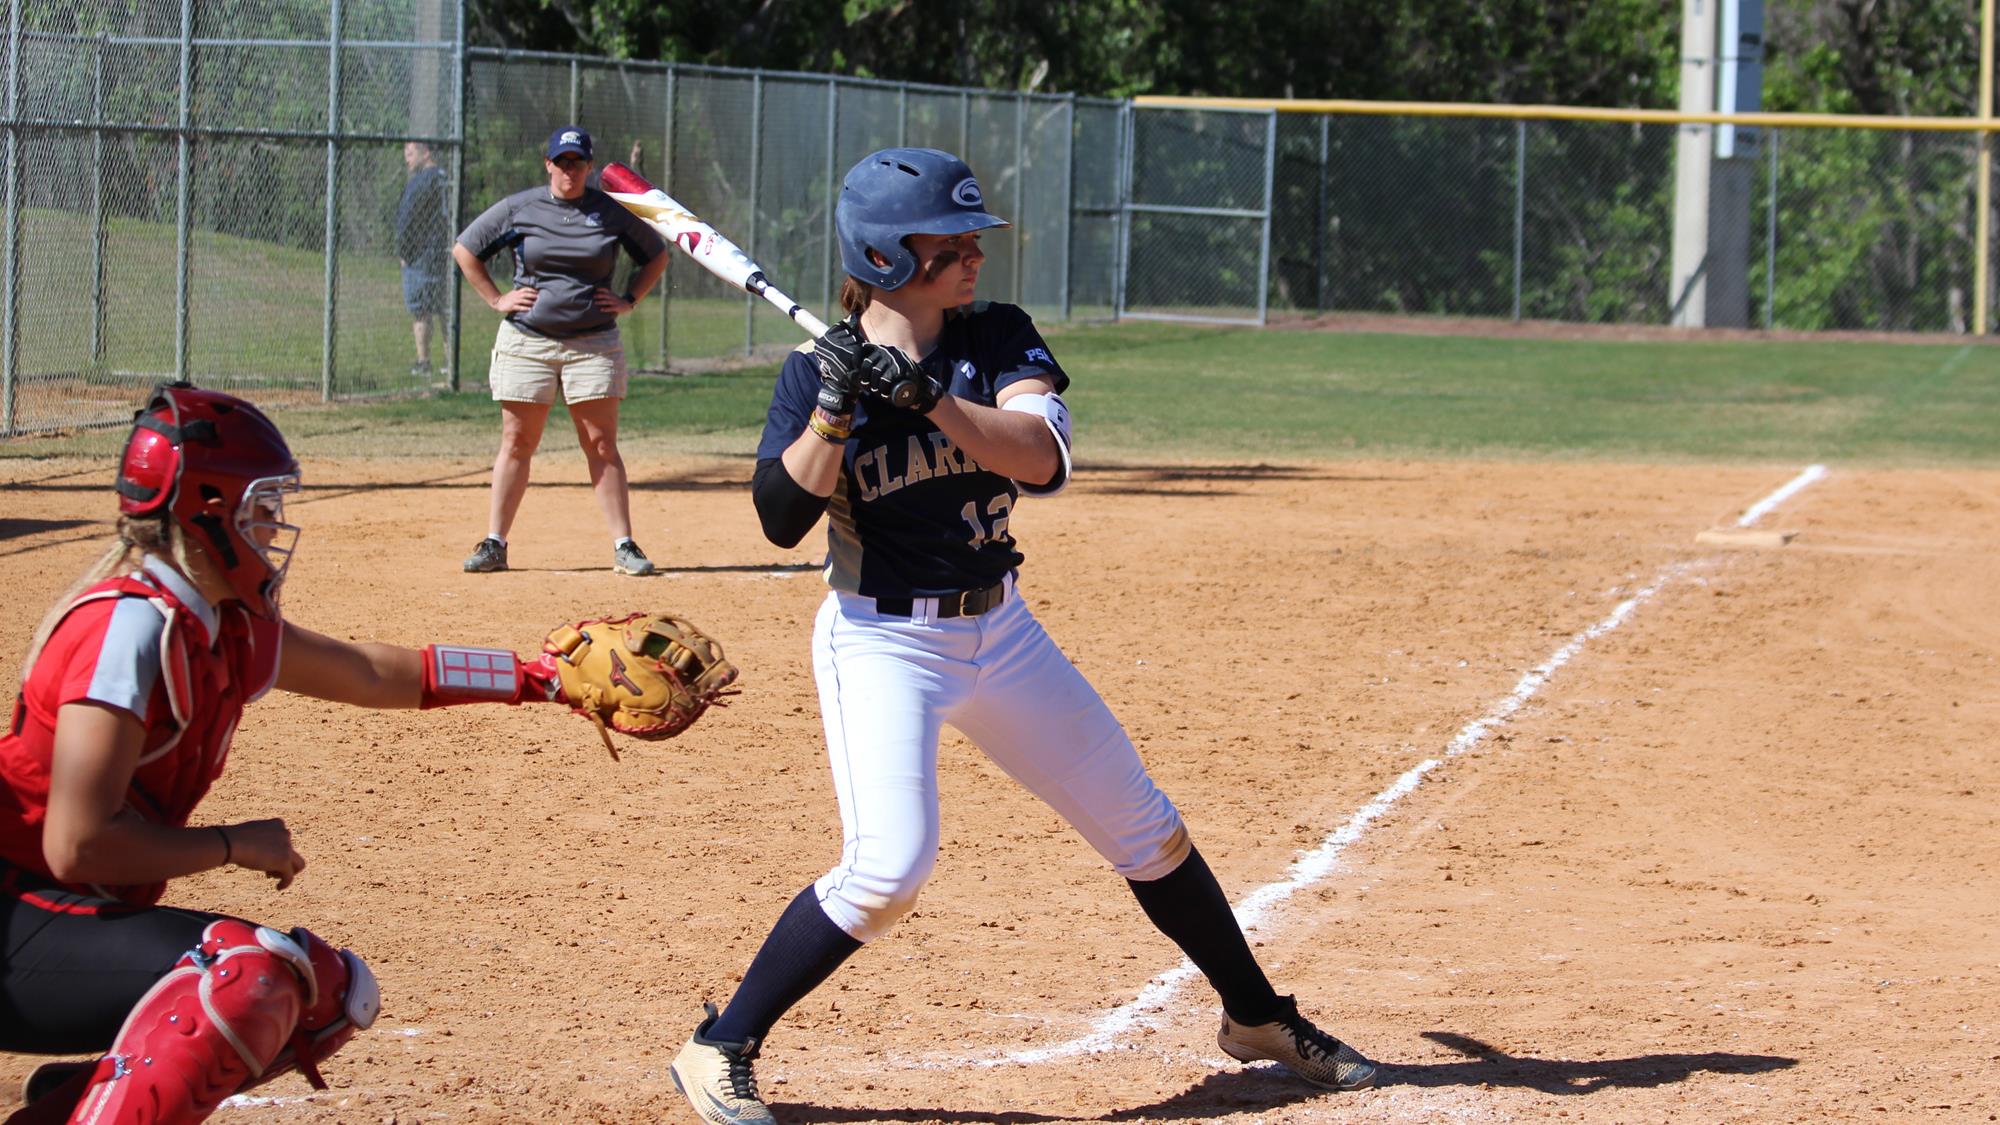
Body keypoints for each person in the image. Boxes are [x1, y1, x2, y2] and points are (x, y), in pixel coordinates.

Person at [665, 147, 1377, 1125]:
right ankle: (719, 1046)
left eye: (972, 237)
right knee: (888, 870)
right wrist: (834, 409)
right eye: (947, 241)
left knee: (1144, 828)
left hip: (1000, 634)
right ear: (881, 254)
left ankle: (1254, 1017)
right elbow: (781, 518)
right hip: (883, 645)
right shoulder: (811, 372)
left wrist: (926, 398)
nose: (971, 254)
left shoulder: (994, 338)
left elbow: (1041, 460)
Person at [1, 382, 596, 1123]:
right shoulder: (127, 629)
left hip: (56, 915)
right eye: (261, 505)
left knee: (325, 993)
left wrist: (540, 678)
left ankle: (66, 1106)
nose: (273, 523)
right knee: (249, 975)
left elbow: (374, 671)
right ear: (208, 513)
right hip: (16, 913)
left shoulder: (219, 622)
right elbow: (77, 844)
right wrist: (230, 845)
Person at [452, 125, 670, 578]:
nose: (569, 171)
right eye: (561, 162)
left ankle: (624, 545)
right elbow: (465, 249)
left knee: (601, 443)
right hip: (527, 341)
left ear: (590, 167)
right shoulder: (521, 207)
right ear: (548, 164)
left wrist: (629, 299)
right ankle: (495, 543)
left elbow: (657, 254)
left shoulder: (609, 211)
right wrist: (497, 299)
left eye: (578, 163)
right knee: (517, 442)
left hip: (593, 343)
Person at [396, 140, 451, 379]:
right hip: (445, 253)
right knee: (445, 310)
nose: (406, 158)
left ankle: (423, 361)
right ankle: (451, 364)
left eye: (410, 153)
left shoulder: (422, 181)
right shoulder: (445, 178)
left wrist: (404, 251)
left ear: (426, 153)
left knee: (421, 310)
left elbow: (408, 218)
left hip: (421, 255)